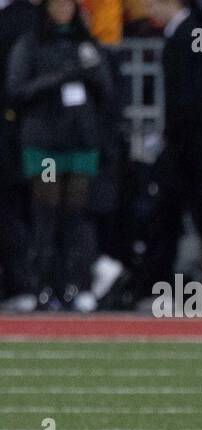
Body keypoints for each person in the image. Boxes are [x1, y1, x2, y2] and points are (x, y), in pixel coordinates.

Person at [6, 0, 114, 311]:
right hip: (46, 144)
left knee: (76, 216)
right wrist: (59, 78)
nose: (64, 9)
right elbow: (17, 90)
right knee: (46, 213)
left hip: (79, 144)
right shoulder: (31, 44)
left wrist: (91, 74)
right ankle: (42, 287)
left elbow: (106, 92)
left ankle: (76, 286)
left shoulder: (86, 44)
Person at [136, 0, 202, 302]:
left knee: (197, 216)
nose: (148, 9)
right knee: (174, 215)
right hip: (185, 144)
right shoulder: (185, 33)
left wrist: (176, 134)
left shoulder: (193, 34)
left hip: (191, 147)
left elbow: (200, 93)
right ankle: (155, 282)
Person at [0, 0, 40, 311]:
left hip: (19, 131)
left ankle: (23, 283)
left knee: (13, 207)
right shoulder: (31, 19)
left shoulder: (19, 20)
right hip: (29, 131)